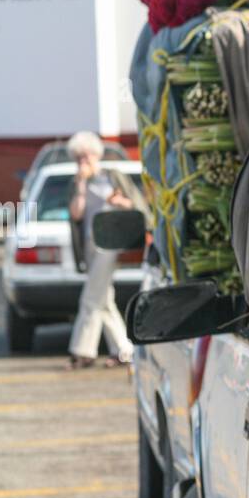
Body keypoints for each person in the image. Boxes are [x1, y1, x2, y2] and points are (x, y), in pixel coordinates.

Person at [67, 132, 139, 369]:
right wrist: (79, 186)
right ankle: (124, 350)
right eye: (78, 158)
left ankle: (82, 351)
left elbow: (135, 205)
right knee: (104, 300)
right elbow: (76, 214)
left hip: (110, 244)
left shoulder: (112, 177)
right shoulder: (79, 183)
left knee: (90, 297)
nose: (82, 162)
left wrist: (119, 203)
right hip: (89, 244)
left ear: (96, 155)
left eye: (86, 156)